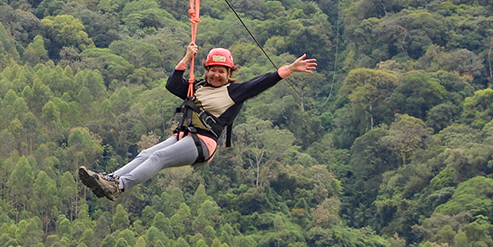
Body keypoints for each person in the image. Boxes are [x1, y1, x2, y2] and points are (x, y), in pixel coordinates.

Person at [79, 43, 317, 200]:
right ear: (207, 70)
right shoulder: (198, 87)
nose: (216, 75)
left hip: (203, 144)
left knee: (158, 158)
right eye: (213, 70)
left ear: (229, 73)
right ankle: (109, 179)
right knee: (144, 154)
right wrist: (186, 58)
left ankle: (119, 186)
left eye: (222, 71)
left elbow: (263, 81)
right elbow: (172, 85)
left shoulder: (234, 92)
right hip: (183, 136)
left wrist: (290, 69)